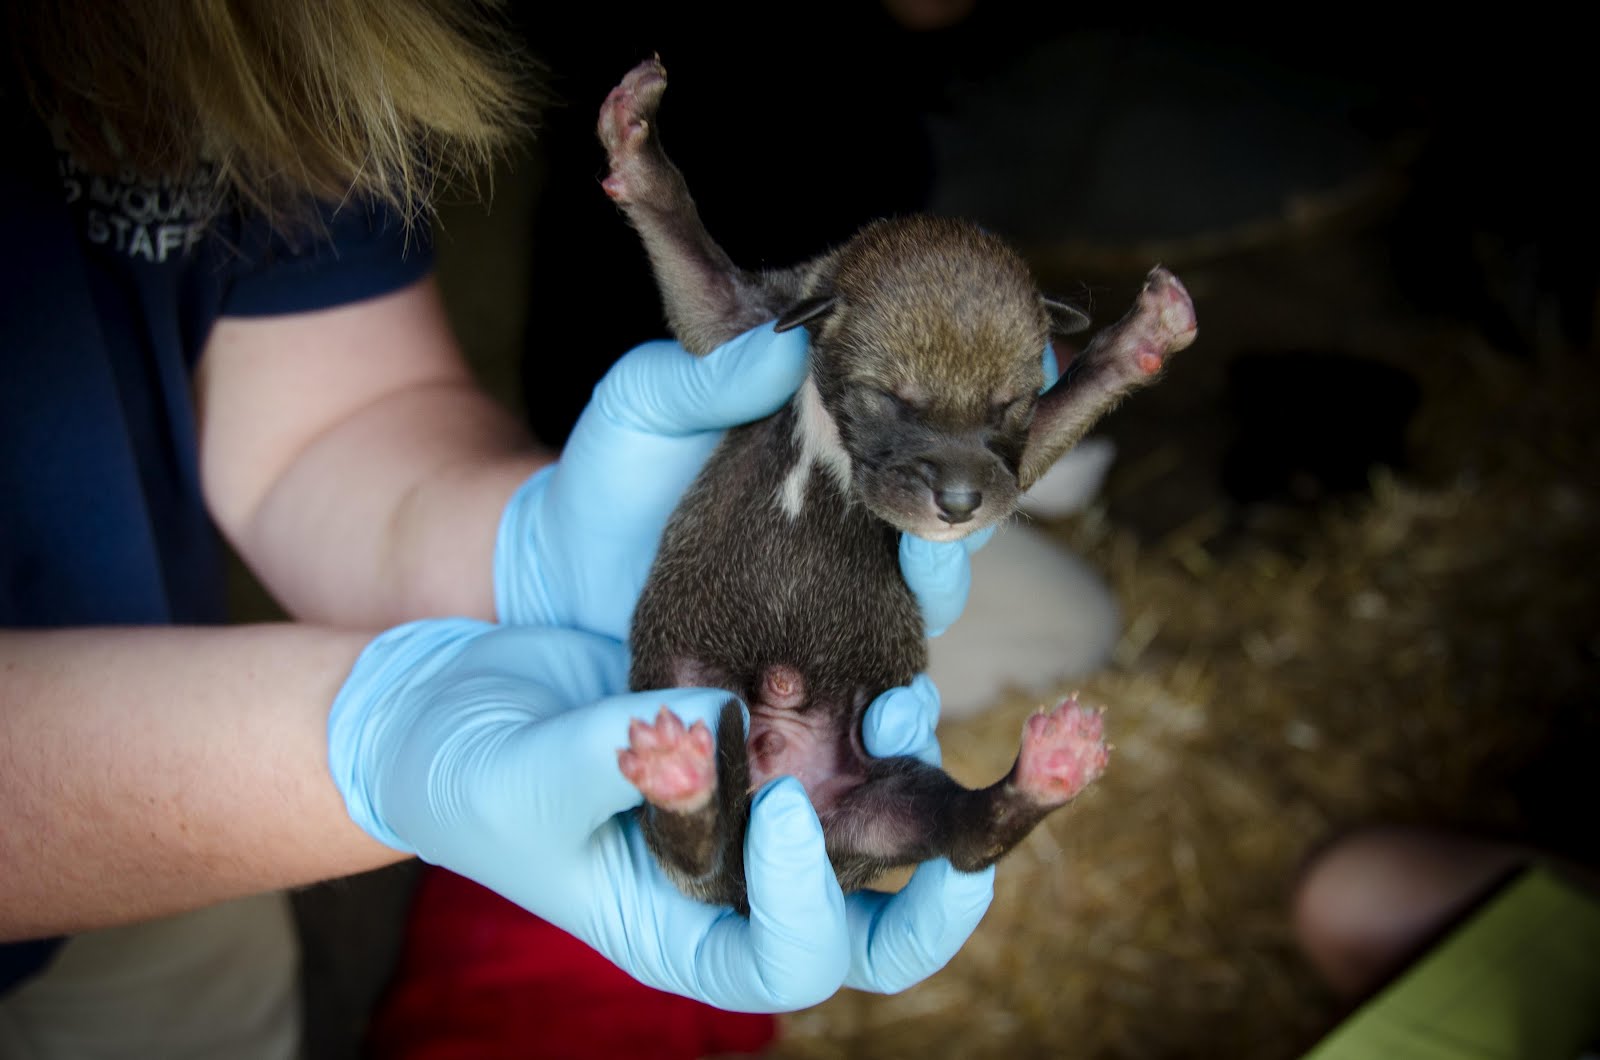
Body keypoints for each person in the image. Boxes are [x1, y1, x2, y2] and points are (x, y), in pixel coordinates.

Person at [0, 1, 995, 1054]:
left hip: (164, 857)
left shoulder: (242, 34)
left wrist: (523, 543)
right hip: (130, 799)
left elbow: (319, 424)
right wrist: (366, 739)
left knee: (204, 1002)